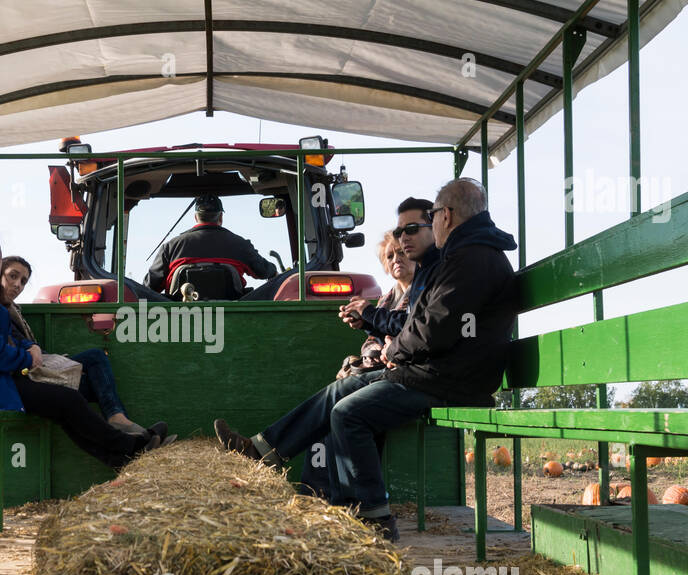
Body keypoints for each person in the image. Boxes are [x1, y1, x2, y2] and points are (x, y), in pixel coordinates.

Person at [214, 178, 517, 541]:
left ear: (446, 216)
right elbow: (426, 325)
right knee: (341, 391)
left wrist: (392, 351)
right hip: (439, 371)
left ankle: (373, 517)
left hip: (450, 380)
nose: (405, 239)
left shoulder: (469, 260)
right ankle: (266, 451)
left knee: (349, 413)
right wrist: (395, 348)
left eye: (429, 217)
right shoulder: (465, 256)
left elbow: (434, 328)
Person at [0, 233, 170, 468]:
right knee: (68, 400)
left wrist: (27, 348)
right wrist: (28, 359)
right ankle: (132, 447)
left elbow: (4, 338)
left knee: (67, 403)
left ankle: (120, 458)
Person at [0, 254, 155, 437]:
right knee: (96, 380)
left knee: (96, 361)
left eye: (23, 281)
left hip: (36, 362)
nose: (18, 285)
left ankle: (119, 421)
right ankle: (122, 426)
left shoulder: (11, 307)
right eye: (12, 276)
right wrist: (33, 348)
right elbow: (13, 340)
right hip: (26, 372)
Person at [336, 198, 436, 379]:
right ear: (385, 266)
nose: (396, 259)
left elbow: (410, 327)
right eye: (389, 256)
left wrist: (369, 313)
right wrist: (364, 322)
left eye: (400, 252)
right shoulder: (385, 299)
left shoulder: (427, 286)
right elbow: (383, 332)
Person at [144, 195, 277, 296]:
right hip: (231, 315)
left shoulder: (171, 247)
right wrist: (274, 270)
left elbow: (150, 287)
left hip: (178, 317)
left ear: (196, 217)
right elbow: (264, 271)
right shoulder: (241, 244)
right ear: (220, 217)